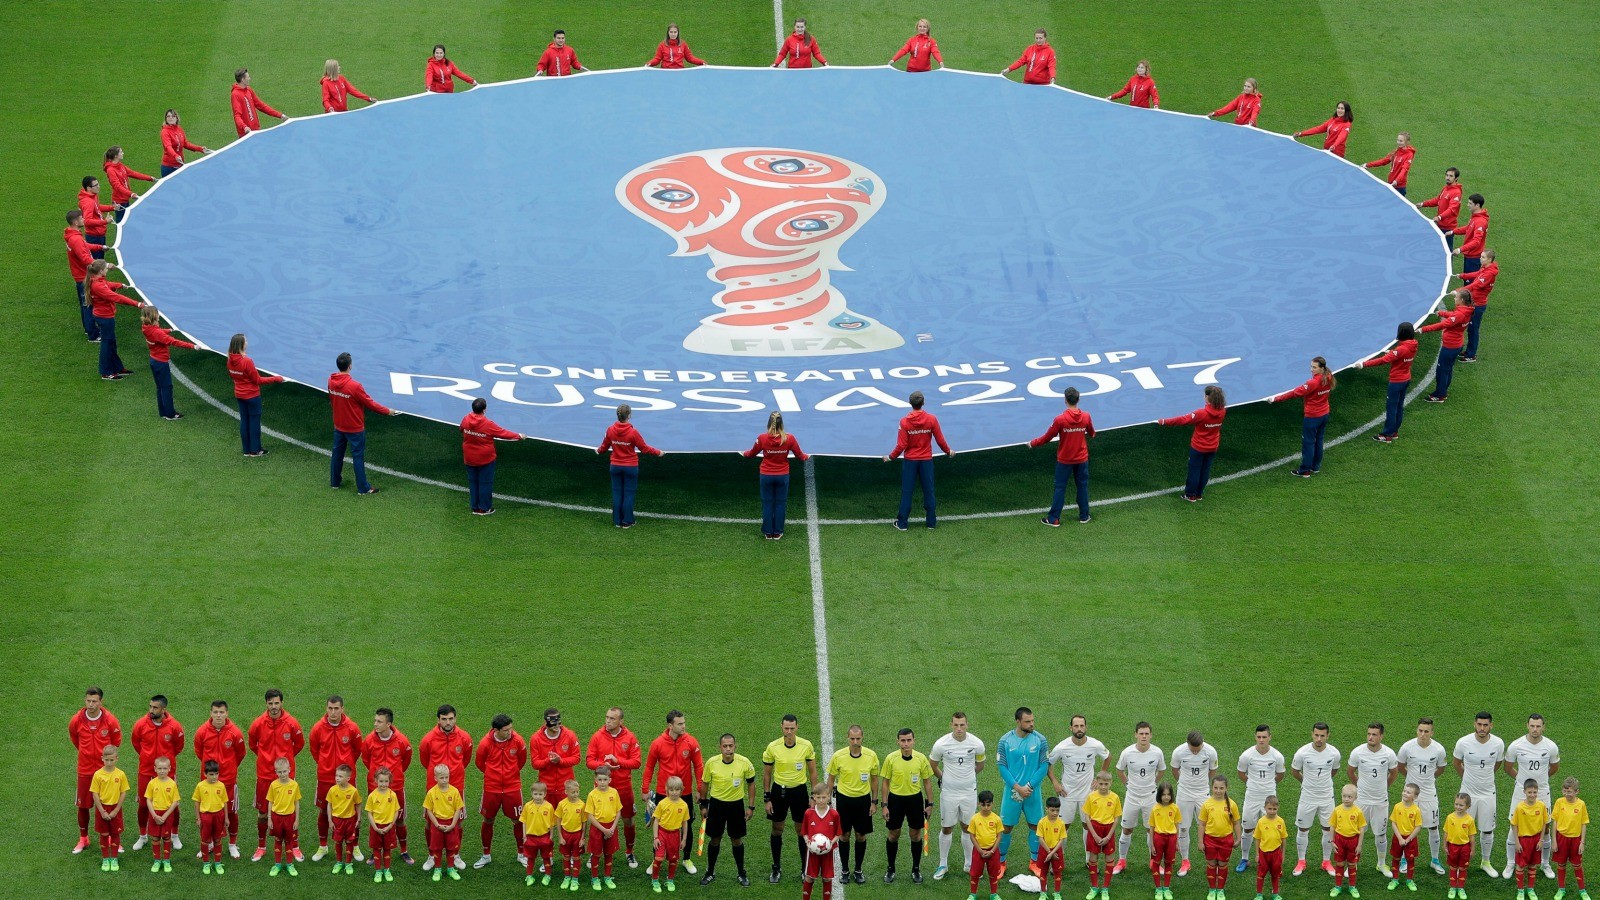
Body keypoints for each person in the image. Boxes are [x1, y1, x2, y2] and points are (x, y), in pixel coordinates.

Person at [248, 689, 305, 863]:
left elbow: (299, 744)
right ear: (266, 704)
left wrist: (285, 763)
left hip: (286, 776)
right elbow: (253, 744)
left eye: (276, 703)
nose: (274, 706)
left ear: (282, 703)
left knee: (290, 811)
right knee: (262, 813)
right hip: (265, 775)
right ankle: (261, 846)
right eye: (270, 703)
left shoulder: (292, 723)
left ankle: (294, 846)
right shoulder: (258, 724)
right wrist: (265, 759)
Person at [645, 710, 704, 876]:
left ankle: (686, 859)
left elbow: (699, 766)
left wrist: (699, 789)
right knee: (660, 825)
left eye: (684, 723)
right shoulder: (657, 743)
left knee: (687, 824)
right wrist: (645, 789)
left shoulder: (691, 742)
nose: (683, 726)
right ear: (670, 725)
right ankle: (655, 859)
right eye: (680, 724)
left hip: (684, 793)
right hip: (663, 793)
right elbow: (649, 766)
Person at [329, 351, 397, 495]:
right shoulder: (355, 386)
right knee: (358, 457)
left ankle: (335, 482)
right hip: (354, 428)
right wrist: (387, 411)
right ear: (350, 366)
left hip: (339, 425)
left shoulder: (331, 381)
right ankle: (363, 488)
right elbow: (370, 404)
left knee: (337, 454)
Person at [885, 390, 953, 530]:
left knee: (907, 492)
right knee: (929, 491)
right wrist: (948, 451)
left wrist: (890, 457)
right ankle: (931, 523)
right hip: (926, 461)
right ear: (923, 402)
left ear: (910, 403)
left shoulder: (904, 422)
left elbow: (901, 445)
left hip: (910, 461)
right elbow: (940, 440)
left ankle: (902, 524)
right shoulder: (932, 419)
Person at [932, 712, 989, 881]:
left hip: (969, 793)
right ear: (951, 725)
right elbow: (933, 765)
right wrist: (944, 778)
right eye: (956, 725)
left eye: (962, 725)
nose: (959, 729)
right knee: (947, 828)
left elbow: (980, 765)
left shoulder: (977, 744)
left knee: (967, 827)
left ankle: (969, 863)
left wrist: (967, 778)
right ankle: (943, 864)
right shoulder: (941, 744)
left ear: (967, 725)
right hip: (949, 793)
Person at [762, 713, 819, 882]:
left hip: (799, 792)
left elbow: (813, 772)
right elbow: (767, 774)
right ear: (781, 727)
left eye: (792, 728)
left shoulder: (806, 745)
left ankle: (804, 868)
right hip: (779, 792)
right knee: (777, 829)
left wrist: (813, 795)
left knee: (801, 831)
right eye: (786, 728)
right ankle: (776, 867)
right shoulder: (773, 747)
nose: (789, 731)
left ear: (797, 728)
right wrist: (767, 798)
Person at [1505, 714, 1561, 880]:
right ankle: (1510, 863)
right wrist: (1522, 783)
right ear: (1527, 726)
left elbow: (1554, 767)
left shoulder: (1550, 746)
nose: (1535, 729)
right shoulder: (1516, 745)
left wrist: (1539, 783)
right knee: (1513, 825)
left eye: (1538, 726)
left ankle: (1545, 863)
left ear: (1543, 727)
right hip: (1520, 792)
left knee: (1546, 827)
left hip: (1542, 792)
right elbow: (1508, 767)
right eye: (1532, 726)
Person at [308, 696, 364, 863]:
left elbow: (357, 750)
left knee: (352, 811)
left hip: (347, 779)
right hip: (325, 777)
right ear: (326, 708)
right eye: (330, 708)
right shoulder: (318, 728)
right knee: (324, 810)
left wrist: (346, 770)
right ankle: (323, 846)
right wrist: (324, 765)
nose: (333, 712)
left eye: (336, 708)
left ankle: (355, 846)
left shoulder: (352, 728)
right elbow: (314, 750)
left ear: (342, 709)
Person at [418, 704, 473, 872]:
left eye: (450, 719)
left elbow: (466, 759)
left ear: (455, 718)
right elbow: (425, 761)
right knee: (430, 822)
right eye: (444, 719)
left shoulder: (464, 738)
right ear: (438, 720)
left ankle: (455, 854)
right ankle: (431, 855)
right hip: (434, 788)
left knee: (458, 821)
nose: (448, 722)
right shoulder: (428, 739)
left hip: (456, 786)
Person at [586, 707, 644, 867]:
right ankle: (594, 852)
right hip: (601, 789)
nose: (608, 721)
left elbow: (637, 762)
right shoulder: (597, 737)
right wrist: (603, 765)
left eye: (612, 718)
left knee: (628, 820)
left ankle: (629, 852)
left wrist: (619, 761)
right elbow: (589, 761)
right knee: (597, 820)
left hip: (623, 788)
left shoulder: (630, 738)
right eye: (607, 717)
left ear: (621, 721)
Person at [1452, 713, 1506, 880]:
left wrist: (1484, 778)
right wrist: (1468, 779)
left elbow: (1497, 764)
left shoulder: (1498, 743)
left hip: (1488, 793)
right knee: (1463, 828)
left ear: (1491, 726)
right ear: (1474, 724)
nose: (1482, 728)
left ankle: (1485, 862)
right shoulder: (1463, 742)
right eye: (1479, 724)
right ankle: (1461, 863)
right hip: (1468, 792)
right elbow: (1456, 763)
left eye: (1485, 725)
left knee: (1487, 829)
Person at [1031, 386, 1095, 525]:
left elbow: (1047, 437)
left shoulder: (1060, 420)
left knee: (1060, 488)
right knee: (1082, 487)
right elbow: (1092, 433)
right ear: (1078, 400)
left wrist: (1033, 443)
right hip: (1082, 459)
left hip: (1065, 460)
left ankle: (1054, 519)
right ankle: (1084, 516)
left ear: (1065, 400)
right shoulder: (1086, 416)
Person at [700, 733, 757, 887]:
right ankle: (710, 872)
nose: (728, 749)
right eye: (725, 746)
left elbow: (751, 784)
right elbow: (705, 784)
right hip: (716, 805)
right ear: (720, 747)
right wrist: (703, 805)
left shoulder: (744, 763)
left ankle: (741, 873)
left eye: (731, 746)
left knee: (736, 840)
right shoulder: (712, 763)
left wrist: (751, 806)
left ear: (735, 746)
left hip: (736, 806)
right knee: (715, 839)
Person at [191, 700, 247, 860]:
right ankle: (208, 843)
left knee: (231, 812)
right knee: (207, 813)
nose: (218, 715)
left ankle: (232, 844)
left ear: (227, 713)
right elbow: (199, 751)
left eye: (221, 712)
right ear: (211, 713)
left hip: (228, 781)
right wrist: (210, 771)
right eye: (215, 712)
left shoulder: (235, 733)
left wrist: (229, 768)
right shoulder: (202, 731)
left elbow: (240, 754)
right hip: (207, 782)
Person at [880, 728, 936, 883]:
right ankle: (891, 868)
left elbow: (927, 782)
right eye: (903, 740)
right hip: (895, 800)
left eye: (909, 740)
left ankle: (916, 869)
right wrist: (884, 805)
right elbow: (885, 783)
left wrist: (930, 804)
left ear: (914, 741)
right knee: (893, 834)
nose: (906, 744)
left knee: (915, 835)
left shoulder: (921, 758)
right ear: (897, 741)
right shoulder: (891, 758)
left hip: (915, 800)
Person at [131, 695, 186, 853]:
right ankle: (143, 836)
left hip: (167, 772)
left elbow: (178, 746)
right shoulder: (140, 724)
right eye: (150, 706)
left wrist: (165, 763)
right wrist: (146, 757)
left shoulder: (174, 726)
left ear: (163, 709)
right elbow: (136, 743)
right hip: (146, 770)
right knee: (143, 804)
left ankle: (174, 835)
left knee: (173, 804)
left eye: (155, 707)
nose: (151, 710)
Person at [826, 725, 880, 884]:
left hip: (863, 800)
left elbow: (875, 780)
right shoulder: (838, 756)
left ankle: (858, 870)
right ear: (847, 738)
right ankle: (844, 869)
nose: (855, 742)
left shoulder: (871, 756)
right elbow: (831, 778)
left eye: (858, 738)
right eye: (852, 739)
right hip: (844, 800)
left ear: (862, 738)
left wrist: (874, 802)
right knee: (844, 835)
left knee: (860, 836)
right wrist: (828, 800)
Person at [474, 713, 528, 869]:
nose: (510, 732)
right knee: (488, 819)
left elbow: (522, 760)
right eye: (506, 730)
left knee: (518, 820)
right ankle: (486, 855)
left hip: (513, 787)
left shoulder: (518, 740)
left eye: (511, 728)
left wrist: (512, 774)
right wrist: (493, 775)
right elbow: (479, 763)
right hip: (492, 788)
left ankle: (521, 854)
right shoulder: (485, 743)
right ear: (496, 730)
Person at [1396, 718, 1449, 876]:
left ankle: (1435, 860)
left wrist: (1428, 780)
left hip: (1429, 793)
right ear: (1417, 730)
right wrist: (1412, 784)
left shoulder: (1438, 749)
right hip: (1409, 794)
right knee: (1406, 827)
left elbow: (1441, 768)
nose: (1423, 734)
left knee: (1433, 827)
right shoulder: (1407, 747)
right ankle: (1404, 860)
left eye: (1426, 731)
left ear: (1432, 732)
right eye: (1420, 730)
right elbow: (1400, 766)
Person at [360, 708, 413, 865]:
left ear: (388, 724)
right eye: (375, 720)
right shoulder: (369, 740)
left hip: (396, 787)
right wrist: (377, 778)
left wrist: (395, 775)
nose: (375, 724)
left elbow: (406, 760)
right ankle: (375, 851)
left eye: (379, 721)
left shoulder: (402, 741)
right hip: (375, 787)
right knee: (376, 820)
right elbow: (366, 759)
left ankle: (404, 851)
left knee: (399, 820)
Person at [997, 707, 1051, 862]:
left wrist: (1029, 787)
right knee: (1006, 827)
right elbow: (1002, 767)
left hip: (1032, 792)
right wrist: (1017, 787)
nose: (1031, 724)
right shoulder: (1005, 740)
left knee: (1035, 826)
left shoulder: (1040, 740)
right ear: (1018, 721)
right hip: (1012, 792)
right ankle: (1001, 862)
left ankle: (1035, 861)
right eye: (1027, 721)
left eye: (1032, 721)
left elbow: (1044, 766)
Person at [744, 412, 808, 540]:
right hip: (782, 476)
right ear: (782, 424)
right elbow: (801, 456)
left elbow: (751, 454)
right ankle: (778, 532)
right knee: (780, 503)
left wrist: (744, 453)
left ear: (769, 423)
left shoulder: (762, 438)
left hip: (766, 475)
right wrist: (808, 456)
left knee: (767, 503)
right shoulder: (790, 438)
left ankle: (768, 532)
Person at [1269, 357, 1336, 478]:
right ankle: (1315, 467)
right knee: (1319, 440)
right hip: (1324, 413)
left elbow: (1295, 393)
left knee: (1308, 443)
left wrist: (1276, 399)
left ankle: (1305, 470)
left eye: (1314, 367)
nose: (1311, 369)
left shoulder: (1313, 383)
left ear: (1321, 368)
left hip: (1312, 417)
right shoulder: (1329, 376)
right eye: (1311, 366)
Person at [1116, 723, 1169, 875]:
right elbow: (1119, 769)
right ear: (1136, 735)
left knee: (1151, 829)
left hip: (1150, 797)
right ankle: (1121, 861)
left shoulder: (1157, 752)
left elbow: (1162, 769)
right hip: (1132, 797)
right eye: (1141, 734)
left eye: (1146, 734)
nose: (1144, 736)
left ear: (1151, 735)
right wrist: (1127, 784)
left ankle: (1154, 861)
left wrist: (1154, 783)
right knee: (1127, 829)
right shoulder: (1127, 753)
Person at [1158, 385, 1227, 501]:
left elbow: (1183, 420)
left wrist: (1164, 421)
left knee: (1194, 470)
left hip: (1198, 448)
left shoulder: (1201, 413)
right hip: (1213, 446)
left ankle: (1190, 495)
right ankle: (1199, 494)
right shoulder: (1223, 411)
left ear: (1207, 397)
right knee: (1205, 470)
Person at [599, 405, 663, 529]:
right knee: (628, 494)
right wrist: (658, 452)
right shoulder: (633, 432)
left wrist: (599, 451)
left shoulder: (610, 430)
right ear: (629, 416)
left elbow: (604, 446)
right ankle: (627, 521)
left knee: (617, 493)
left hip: (615, 466)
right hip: (630, 467)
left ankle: (617, 521)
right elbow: (644, 448)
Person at [1348, 723, 1399, 877]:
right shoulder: (1358, 752)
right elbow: (1350, 771)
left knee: (1381, 834)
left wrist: (1384, 787)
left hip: (1380, 801)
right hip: (1361, 801)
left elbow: (1394, 773)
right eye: (1369, 734)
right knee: (1356, 833)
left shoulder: (1389, 754)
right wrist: (1359, 786)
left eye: (1374, 734)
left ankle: (1381, 864)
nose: (1370, 737)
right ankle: (1353, 864)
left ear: (1381, 736)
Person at [1292, 724, 1342, 878]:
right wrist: (1307, 782)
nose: (1319, 739)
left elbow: (1334, 770)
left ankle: (1326, 861)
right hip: (1307, 796)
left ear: (1328, 736)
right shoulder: (1302, 753)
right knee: (1303, 829)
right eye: (1316, 735)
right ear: (1312, 734)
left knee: (1328, 829)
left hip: (1326, 797)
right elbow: (1295, 771)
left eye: (1322, 736)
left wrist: (1322, 783)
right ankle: (1301, 861)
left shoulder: (1334, 753)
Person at [460, 397, 525, 515]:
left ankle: (475, 507)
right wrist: (519, 436)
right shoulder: (487, 424)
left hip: (469, 457)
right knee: (485, 483)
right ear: (484, 410)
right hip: (485, 459)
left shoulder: (465, 419)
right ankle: (484, 508)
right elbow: (503, 433)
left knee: (473, 482)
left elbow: (462, 429)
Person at [1235, 726, 1287, 873]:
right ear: (1255, 737)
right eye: (1259, 737)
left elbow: (1280, 775)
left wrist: (1268, 786)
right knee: (1248, 828)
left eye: (1264, 737)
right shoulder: (1246, 755)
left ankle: (1270, 860)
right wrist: (1253, 784)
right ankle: (1245, 858)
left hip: (1268, 797)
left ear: (1270, 737)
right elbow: (1241, 773)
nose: (1261, 740)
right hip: (1252, 796)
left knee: (1270, 828)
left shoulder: (1277, 756)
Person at [227, 333, 284, 456]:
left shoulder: (229, 360)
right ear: (241, 345)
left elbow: (234, 376)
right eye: (245, 341)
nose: (247, 343)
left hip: (239, 395)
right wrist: (276, 379)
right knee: (254, 422)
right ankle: (256, 450)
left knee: (244, 421)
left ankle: (247, 450)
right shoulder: (247, 361)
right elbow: (258, 380)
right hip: (252, 396)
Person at [1173, 731, 1220, 877]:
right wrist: (1184, 784)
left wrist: (1202, 784)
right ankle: (1185, 861)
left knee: (1208, 827)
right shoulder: (1179, 752)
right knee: (1183, 828)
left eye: (1197, 749)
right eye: (1192, 749)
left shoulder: (1210, 752)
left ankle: (1211, 862)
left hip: (1202, 794)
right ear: (1187, 743)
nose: (1195, 752)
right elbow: (1175, 770)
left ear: (1202, 743)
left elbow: (1213, 771)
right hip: (1184, 794)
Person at [1362, 324, 1418, 443]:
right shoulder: (1413, 344)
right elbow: (1399, 355)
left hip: (1396, 382)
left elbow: (1383, 360)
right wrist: (1392, 352)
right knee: (1399, 406)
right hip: (1406, 378)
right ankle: (1394, 432)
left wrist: (1364, 364)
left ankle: (1387, 434)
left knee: (1392, 408)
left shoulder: (1401, 349)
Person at [84, 260, 140, 380]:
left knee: (111, 343)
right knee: (107, 344)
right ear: (101, 271)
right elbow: (116, 297)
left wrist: (119, 285)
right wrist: (138, 304)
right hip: (105, 318)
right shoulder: (98, 286)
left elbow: (107, 284)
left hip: (105, 316)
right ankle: (106, 372)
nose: (107, 270)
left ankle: (117, 368)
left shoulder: (97, 280)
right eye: (106, 268)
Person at [141, 306, 194, 420]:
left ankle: (163, 412)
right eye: (157, 314)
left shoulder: (145, 327)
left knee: (160, 387)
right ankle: (170, 414)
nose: (159, 315)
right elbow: (174, 342)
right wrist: (193, 346)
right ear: (154, 316)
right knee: (166, 387)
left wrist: (169, 330)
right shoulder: (157, 332)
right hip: (161, 363)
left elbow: (158, 333)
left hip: (154, 360)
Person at [1420, 291, 1474, 403]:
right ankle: (1443, 391)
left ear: (1462, 300)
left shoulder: (1460, 314)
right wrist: (1442, 313)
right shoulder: (1466, 310)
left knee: (1442, 371)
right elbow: (1454, 316)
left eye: (1456, 297)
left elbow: (1443, 325)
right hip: (1457, 344)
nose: (1454, 299)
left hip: (1450, 347)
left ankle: (1440, 395)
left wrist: (1423, 329)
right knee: (1448, 369)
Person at [530, 709, 582, 814]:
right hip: (546, 788)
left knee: (567, 818)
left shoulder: (570, 735)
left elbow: (576, 758)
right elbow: (535, 764)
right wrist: (548, 761)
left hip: (566, 787)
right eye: (553, 722)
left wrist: (560, 761)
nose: (557, 725)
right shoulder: (536, 739)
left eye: (559, 721)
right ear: (545, 722)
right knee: (546, 819)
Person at [1199, 776, 1241, 899]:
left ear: (1226, 788)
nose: (1218, 791)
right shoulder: (1207, 804)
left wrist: (1238, 838)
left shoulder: (1231, 804)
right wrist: (1200, 842)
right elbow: (1202, 824)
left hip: (1226, 840)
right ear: (1211, 787)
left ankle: (1220, 890)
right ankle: (1212, 890)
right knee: (1211, 863)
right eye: (1216, 788)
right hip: (1210, 840)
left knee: (1222, 864)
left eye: (1221, 788)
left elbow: (1236, 823)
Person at [64, 210, 102, 342]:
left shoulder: (73, 236)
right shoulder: (76, 239)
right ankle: (93, 335)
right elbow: (85, 259)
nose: (83, 219)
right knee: (88, 305)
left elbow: (84, 246)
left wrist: (100, 247)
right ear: (75, 222)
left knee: (85, 304)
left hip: (79, 275)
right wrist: (103, 265)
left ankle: (88, 329)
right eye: (81, 218)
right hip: (83, 277)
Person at [1085, 771, 1124, 898]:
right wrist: (1095, 835)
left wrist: (1108, 836)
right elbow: (1087, 817)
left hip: (1108, 829)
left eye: (1106, 784)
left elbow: (1116, 818)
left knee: (1109, 858)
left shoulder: (1115, 797)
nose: (1103, 787)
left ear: (1110, 783)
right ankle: (1094, 887)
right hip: (1094, 829)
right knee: (1093, 858)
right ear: (1097, 782)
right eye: (1101, 784)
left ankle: (1105, 888)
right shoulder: (1091, 797)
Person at [801, 783, 844, 900]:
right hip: (812, 852)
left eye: (823, 797)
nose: (821, 800)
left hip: (828, 852)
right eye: (818, 797)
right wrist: (807, 841)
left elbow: (838, 834)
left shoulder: (834, 814)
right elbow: (804, 832)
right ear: (814, 797)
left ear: (829, 797)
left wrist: (830, 843)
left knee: (827, 878)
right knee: (809, 877)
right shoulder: (808, 813)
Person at [91, 745, 130, 872]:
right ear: (102, 758)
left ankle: (114, 858)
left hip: (115, 808)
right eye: (106, 760)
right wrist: (102, 811)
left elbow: (123, 792)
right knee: (104, 834)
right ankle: (105, 858)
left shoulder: (121, 774)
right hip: (102, 808)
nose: (109, 763)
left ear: (117, 759)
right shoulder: (98, 775)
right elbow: (95, 794)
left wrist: (116, 810)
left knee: (115, 833)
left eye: (111, 760)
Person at [424, 763, 466, 881]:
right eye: (441, 777)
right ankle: (437, 869)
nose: (444, 780)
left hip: (450, 823)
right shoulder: (431, 792)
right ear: (435, 778)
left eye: (446, 777)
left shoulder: (454, 791)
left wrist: (453, 824)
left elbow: (458, 809)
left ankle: (451, 868)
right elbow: (429, 810)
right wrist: (436, 824)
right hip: (437, 824)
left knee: (451, 848)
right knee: (437, 848)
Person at [1456, 249, 1499, 363]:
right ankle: (1469, 352)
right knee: (1471, 329)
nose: (1480, 259)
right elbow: (1476, 274)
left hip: (1478, 305)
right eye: (1481, 256)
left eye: (1483, 257)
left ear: (1490, 259)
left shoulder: (1489, 273)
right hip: (1476, 303)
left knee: (1473, 330)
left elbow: (1475, 285)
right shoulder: (1486, 268)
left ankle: (1471, 355)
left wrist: (1459, 291)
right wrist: (1462, 276)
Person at [1512, 780, 1552, 899]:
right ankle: (1520, 890)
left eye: (1535, 792)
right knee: (1520, 865)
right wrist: (1517, 842)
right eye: (1530, 792)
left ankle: (1530, 889)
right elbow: (1514, 825)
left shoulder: (1541, 806)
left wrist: (1541, 840)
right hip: (1523, 840)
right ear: (1524, 791)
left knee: (1533, 864)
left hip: (1536, 840)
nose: (1532, 795)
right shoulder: (1520, 807)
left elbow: (1544, 823)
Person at [586, 766, 624, 888]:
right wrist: (604, 830)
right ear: (595, 780)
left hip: (611, 828)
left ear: (610, 780)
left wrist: (612, 828)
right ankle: (595, 878)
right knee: (596, 854)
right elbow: (590, 816)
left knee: (609, 853)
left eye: (605, 779)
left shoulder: (614, 792)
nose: (602, 782)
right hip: (597, 829)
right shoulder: (592, 795)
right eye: (600, 779)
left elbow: (618, 811)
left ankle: (607, 877)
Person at [1550, 777, 1587, 900]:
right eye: (1564, 791)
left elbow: (1583, 824)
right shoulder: (1559, 802)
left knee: (1577, 865)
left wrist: (1582, 842)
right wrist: (1554, 840)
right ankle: (1561, 889)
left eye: (1569, 792)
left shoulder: (1581, 804)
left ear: (1577, 792)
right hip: (1561, 839)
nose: (1566, 794)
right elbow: (1555, 821)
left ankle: (1582, 890)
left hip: (1575, 840)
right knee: (1561, 864)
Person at [652, 776, 691, 891]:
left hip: (675, 835)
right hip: (662, 833)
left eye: (677, 789)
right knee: (658, 858)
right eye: (671, 789)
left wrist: (684, 839)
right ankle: (655, 880)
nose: (674, 792)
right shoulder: (662, 803)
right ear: (667, 789)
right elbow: (656, 821)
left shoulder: (684, 805)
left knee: (673, 860)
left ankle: (670, 880)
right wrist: (655, 837)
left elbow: (685, 823)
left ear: (681, 790)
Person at [266, 756, 302, 877]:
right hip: (276, 817)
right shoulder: (273, 785)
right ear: (276, 772)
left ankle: (290, 864)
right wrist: (269, 818)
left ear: (289, 769)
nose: (282, 774)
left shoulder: (294, 785)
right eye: (280, 772)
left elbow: (297, 803)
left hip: (289, 818)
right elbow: (270, 802)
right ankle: (277, 864)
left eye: (285, 771)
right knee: (277, 840)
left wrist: (296, 819)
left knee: (289, 840)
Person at [324, 764, 363, 875]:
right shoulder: (332, 790)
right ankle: (339, 862)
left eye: (340, 776)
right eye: (336, 775)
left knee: (349, 841)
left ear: (348, 778)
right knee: (338, 841)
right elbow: (329, 805)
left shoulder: (353, 791)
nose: (337, 778)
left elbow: (358, 804)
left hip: (350, 820)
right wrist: (330, 820)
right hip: (337, 820)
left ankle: (348, 863)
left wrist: (358, 818)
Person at [143, 756, 180, 872]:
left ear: (169, 768)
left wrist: (164, 816)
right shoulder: (152, 783)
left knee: (166, 837)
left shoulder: (172, 784)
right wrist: (154, 815)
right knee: (155, 837)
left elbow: (175, 802)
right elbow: (148, 800)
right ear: (155, 769)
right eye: (159, 768)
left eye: (164, 768)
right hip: (155, 814)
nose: (162, 771)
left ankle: (167, 861)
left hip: (167, 815)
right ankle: (157, 860)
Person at [1330, 784, 1369, 896]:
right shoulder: (1337, 810)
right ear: (1341, 795)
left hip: (1353, 841)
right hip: (1339, 840)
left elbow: (1361, 829)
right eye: (1344, 796)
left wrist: (1359, 845)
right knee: (1339, 863)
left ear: (1355, 797)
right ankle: (1338, 887)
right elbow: (1332, 826)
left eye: (1349, 797)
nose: (1346, 799)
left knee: (1352, 864)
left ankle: (1352, 887)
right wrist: (1332, 841)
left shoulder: (1358, 812)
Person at [194, 760, 230, 874]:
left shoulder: (221, 786)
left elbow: (225, 802)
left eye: (216, 774)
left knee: (217, 839)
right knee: (205, 840)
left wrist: (226, 818)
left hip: (219, 816)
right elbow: (196, 802)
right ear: (205, 774)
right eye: (211, 774)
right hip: (206, 816)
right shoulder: (200, 786)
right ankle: (206, 863)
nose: (214, 777)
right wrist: (198, 818)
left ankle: (218, 863)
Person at [969, 790, 1006, 900]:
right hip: (978, 851)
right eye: (983, 805)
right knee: (975, 873)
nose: (986, 808)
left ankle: (993, 894)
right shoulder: (974, 819)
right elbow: (972, 836)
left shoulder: (997, 819)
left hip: (993, 851)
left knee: (993, 873)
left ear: (992, 804)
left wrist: (992, 851)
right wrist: (980, 850)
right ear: (978, 804)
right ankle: (973, 894)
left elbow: (999, 836)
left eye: (988, 805)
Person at [367, 766, 402, 882]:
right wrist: (375, 827)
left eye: (386, 781)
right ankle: (378, 871)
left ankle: (387, 870)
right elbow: (369, 813)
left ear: (389, 781)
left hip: (389, 827)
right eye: (381, 781)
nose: (383, 784)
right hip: (376, 827)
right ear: (376, 781)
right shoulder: (372, 796)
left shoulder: (393, 795)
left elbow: (396, 811)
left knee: (387, 849)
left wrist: (390, 825)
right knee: (376, 849)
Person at [520, 781, 557, 887]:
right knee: (530, 858)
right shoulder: (527, 806)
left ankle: (548, 875)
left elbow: (552, 823)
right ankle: (529, 876)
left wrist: (551, 836)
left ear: (545, 794)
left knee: (546, 857)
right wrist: (524, 836)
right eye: (535, 794)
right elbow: (524, 821)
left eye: (540, 794)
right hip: (531, 838)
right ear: (532, 794)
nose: (538, 797)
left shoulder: (549, 807)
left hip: (544, 837)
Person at [103, 146, 154, 220]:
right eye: (121, 152)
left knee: (126, 219)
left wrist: (149, 178)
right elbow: (117, 186)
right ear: (116, 156)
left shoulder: (120, 165)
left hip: (125, 198)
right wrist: (131, 194)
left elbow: (132, 173)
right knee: (121, 221)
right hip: (119, 201)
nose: (123, 153)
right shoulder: (110, 170)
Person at [1387, 784, 1423, 890]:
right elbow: (1393, 823)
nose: (1405, 793)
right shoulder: (1397, 806)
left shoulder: (1416, 810)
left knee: (1410, 859)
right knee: (1396, 858)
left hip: (1410, 839)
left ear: (1415, 797)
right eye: (1404, 791)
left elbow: (1418, 827)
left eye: (1408, 792)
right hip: (1398, 838)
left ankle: (1409, 880)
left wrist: (1408, 839)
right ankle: (1395, 879)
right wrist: (1400, 838)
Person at [230, 68, 284, 137]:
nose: (250, 78)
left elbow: (261, 106)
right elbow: (237, 116)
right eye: (248, 77)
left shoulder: (249, 90)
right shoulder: (235, 95)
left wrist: (280, 115)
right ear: (243, 79)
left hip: (256, 131)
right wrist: (244, 127)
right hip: (246, 135)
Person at [1417, 168, 1463, 249]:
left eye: (1451, 176)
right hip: (1440, 224)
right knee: (1437, 247)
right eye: (1447, 175)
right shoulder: (1445, 188)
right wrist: (1423, 204)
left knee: (1447, 250)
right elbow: (1438, 200)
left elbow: (1452, 209)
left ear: (1456, 178)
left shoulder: (1456, 193)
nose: (1448, 178)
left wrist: (1439, 217)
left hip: (1447, 227)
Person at [1253, 797, 1288, 900]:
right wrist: (1257, 854)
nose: (1272, 811)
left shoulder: (1280, 821)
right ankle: (1259, 894)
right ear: (1265, 808)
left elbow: (1284, 839)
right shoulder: (1261, 822)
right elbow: (1257, 839)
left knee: (1275, 874)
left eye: (1274, 809)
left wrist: (1283, 854)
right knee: (1261, 874)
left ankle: (1275, 894)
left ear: (1278, 808)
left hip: (1276, 853)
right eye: (1269, 809)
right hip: (1263, 853)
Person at [1444, 793, 1478, 899]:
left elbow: (1471, 836)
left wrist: (1472, 849)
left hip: (1464, 848)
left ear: (1468, 806)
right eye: (1456, 804)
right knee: (1453, 867)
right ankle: (1453, 887)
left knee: (1463, 868)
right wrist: (1444, 845)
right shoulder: (1450, 817)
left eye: (1461, 805)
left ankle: (1461, 888)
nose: (1458, 807)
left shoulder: (1470, 820)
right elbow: (1446, 833)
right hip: (1452, 846)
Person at [1151, 784, 1181, 898]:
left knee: (1169, 863)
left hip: (1171, 839)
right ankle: (1158, 888)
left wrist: (1177, 842)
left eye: (1168, 794)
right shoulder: (1155, 809)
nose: (1166, 797)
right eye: (1163, 794)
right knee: (1156, 863)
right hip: (1158, 838)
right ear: (1159, 795)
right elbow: (1152, 827)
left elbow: (1177, 825)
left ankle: (1166, 888)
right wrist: (1152, 844)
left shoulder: (1175, 808)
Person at [557, 779, 588, 888]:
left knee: (576, 857)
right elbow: (558, 820)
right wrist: (560, 837)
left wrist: (582, 838)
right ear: (566, 792)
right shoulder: (562, 804)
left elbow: (584, 822)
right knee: (566, 857)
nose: (575, 794)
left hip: (577, 835)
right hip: (565, 835)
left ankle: (575, 879)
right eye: (573, 792)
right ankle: (567, 877)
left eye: (577, 792)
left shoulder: (582, 805)